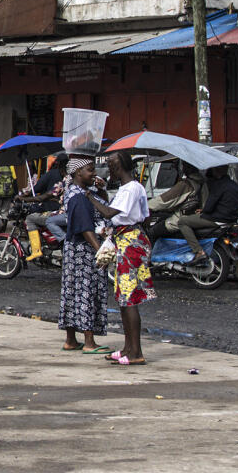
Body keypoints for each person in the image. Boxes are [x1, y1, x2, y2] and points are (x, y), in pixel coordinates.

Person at [104, 154, 151, 366]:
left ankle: (136, 352)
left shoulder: (131, 188)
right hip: (127, 239)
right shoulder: (129, 188)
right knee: (124, 297)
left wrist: (89, 196)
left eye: (110, 166)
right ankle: (128, 348)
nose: (109, 171)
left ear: (118, 166)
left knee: (129, 298)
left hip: (130, 242)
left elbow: (109, 212)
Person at [56, 164, 108, 353]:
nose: (94, 174)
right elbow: (85, 227)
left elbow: (103, 207)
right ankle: (89, 341)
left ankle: (71, 339)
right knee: (87, 291)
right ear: (78, 173)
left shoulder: (84, 191)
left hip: (74, 250)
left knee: (72, 291)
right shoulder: (78, 195)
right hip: (83, 250)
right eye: (90, 170)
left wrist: (101, 190)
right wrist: (100, 250)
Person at [148, 160, 206, 257]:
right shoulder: (202, 182)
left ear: (185, 168)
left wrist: (146, 205)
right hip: (197, 215)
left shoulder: (186, 184)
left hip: (181, 218)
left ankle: (151, 258)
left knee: (153, 232)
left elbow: (164, 201)